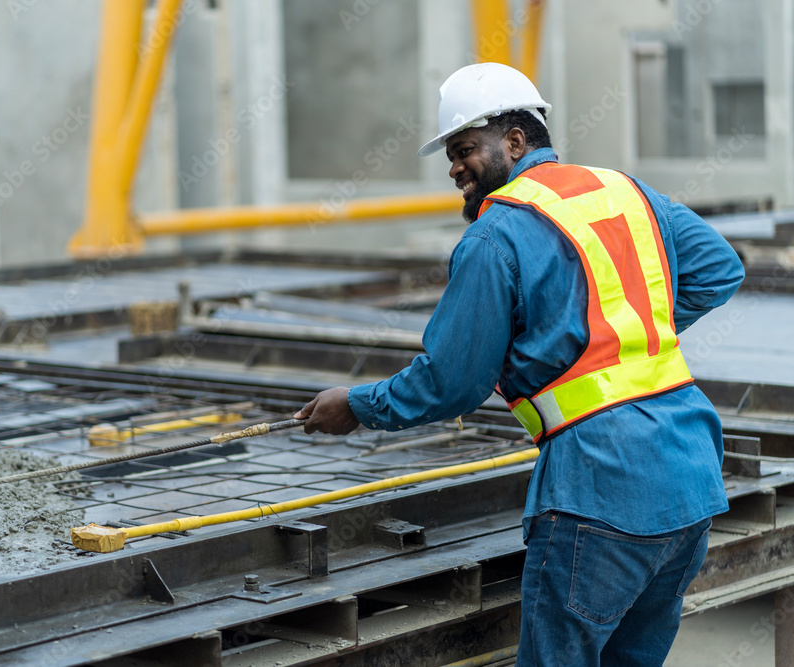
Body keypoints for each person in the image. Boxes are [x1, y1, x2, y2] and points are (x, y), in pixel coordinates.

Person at [294, 62, 745, 666]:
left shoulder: (494, 235)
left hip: (600, 493)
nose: (455, 167)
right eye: (450, 155)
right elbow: (720, 269)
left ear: (515, 141)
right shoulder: (623, 190)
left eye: (464, 149)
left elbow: (451, 383)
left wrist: (355, 405)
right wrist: (627, 329)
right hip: (690, 479)